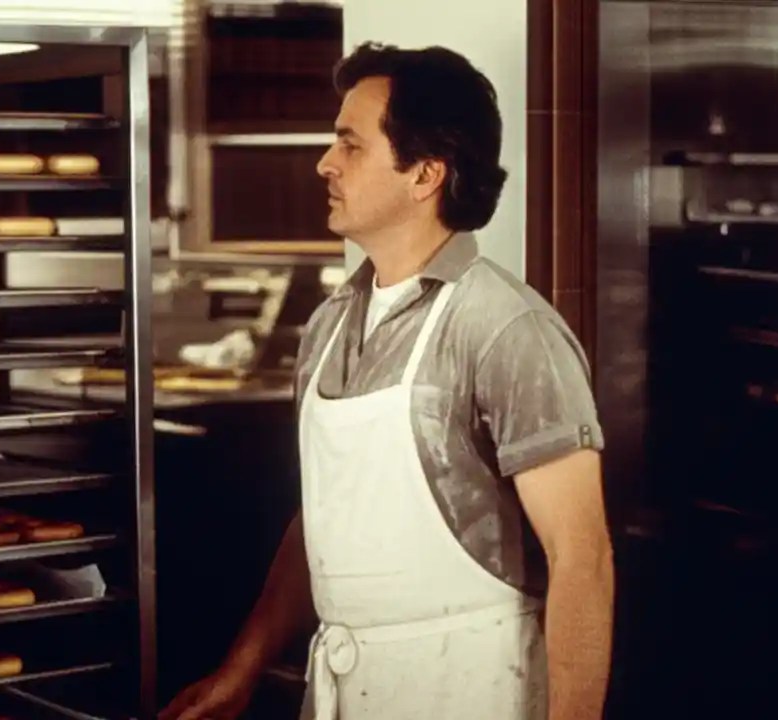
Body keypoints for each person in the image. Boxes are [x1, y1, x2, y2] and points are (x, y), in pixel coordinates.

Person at [160, 42, 614, 720]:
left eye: (350, 145)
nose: (325, 163)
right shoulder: (331, 325)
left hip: (472, 686)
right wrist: (243, 667)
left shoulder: (506, 330)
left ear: (425, 174)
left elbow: (583, 560)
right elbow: (322, 522)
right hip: (347, 685)